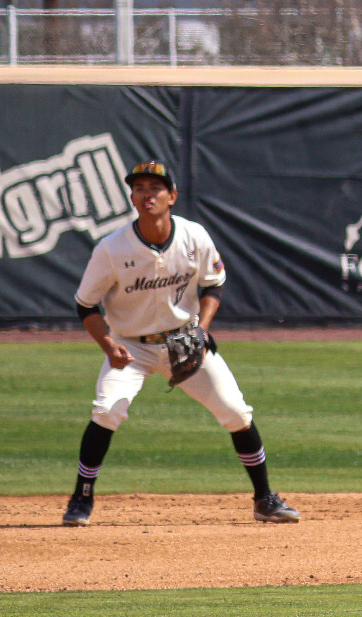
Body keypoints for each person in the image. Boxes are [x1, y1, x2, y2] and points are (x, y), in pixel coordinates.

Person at [61, 160, 300, 527]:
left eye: (155, 188)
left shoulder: (194, 236)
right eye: (139, 188)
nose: (147, 195)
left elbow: (213, 283)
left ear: (172, 196)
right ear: (131, 197)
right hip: (131, 347)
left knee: (236, 413)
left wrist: (202, 330)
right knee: (107, 411)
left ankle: (264, 499)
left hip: (184, 342)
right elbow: (85, 304)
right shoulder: (111, 248)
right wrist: (108, 345)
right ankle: (81, 498)